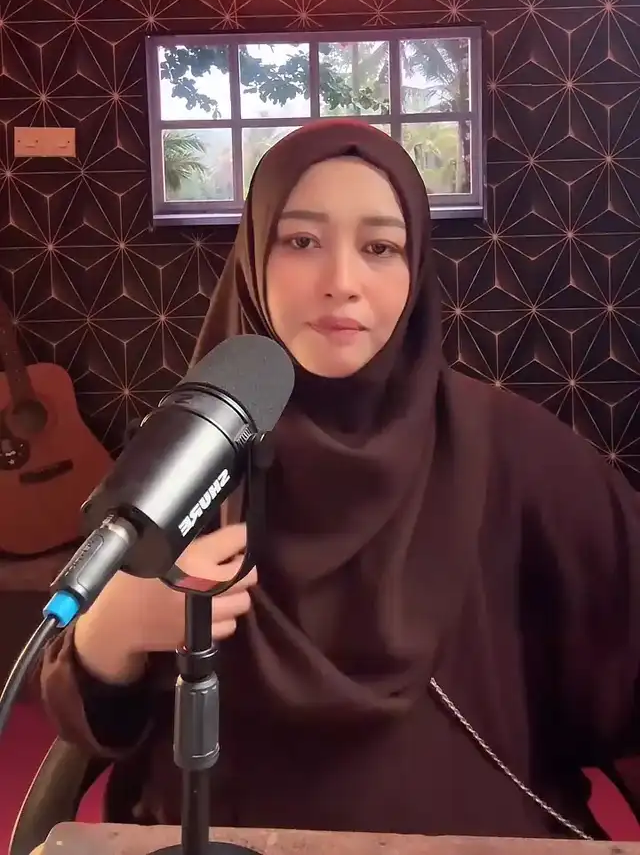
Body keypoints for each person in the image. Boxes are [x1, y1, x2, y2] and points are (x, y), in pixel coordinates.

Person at [41, 118, 640, 838]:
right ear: (253, 260)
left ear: (416, 270)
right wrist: (114, 629)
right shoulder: (189, 452)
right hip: (214, 836)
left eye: (380, 248)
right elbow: (91, 720)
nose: (341, 284)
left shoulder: (518, 451)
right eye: (301, 242)